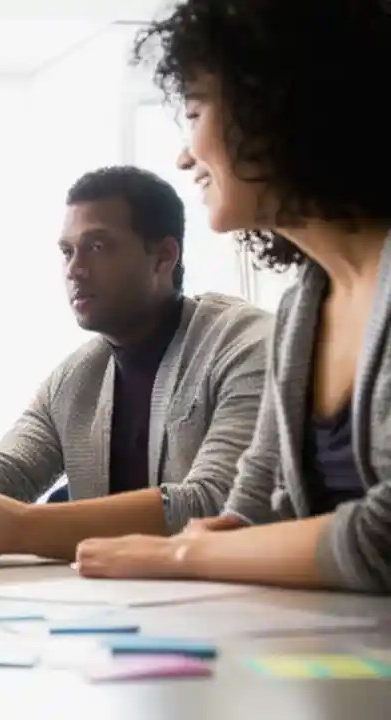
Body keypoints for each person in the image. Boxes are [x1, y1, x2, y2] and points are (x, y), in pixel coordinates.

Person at [71, 0, 391, 594]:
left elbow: (384, 539)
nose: (185, 154)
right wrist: (213, 541)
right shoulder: (304, 309)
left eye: (195, 112)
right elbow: (255, 510)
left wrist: (178, 557)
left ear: (278, 107)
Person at [0, 166, 271, 562]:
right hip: (109, 603)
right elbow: (4, 473)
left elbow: (218, 503)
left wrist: (21, 525)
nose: (74, 269)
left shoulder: (244, 344)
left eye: (98, 247)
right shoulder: (76, 376)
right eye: (67, 251)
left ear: (164, 257)